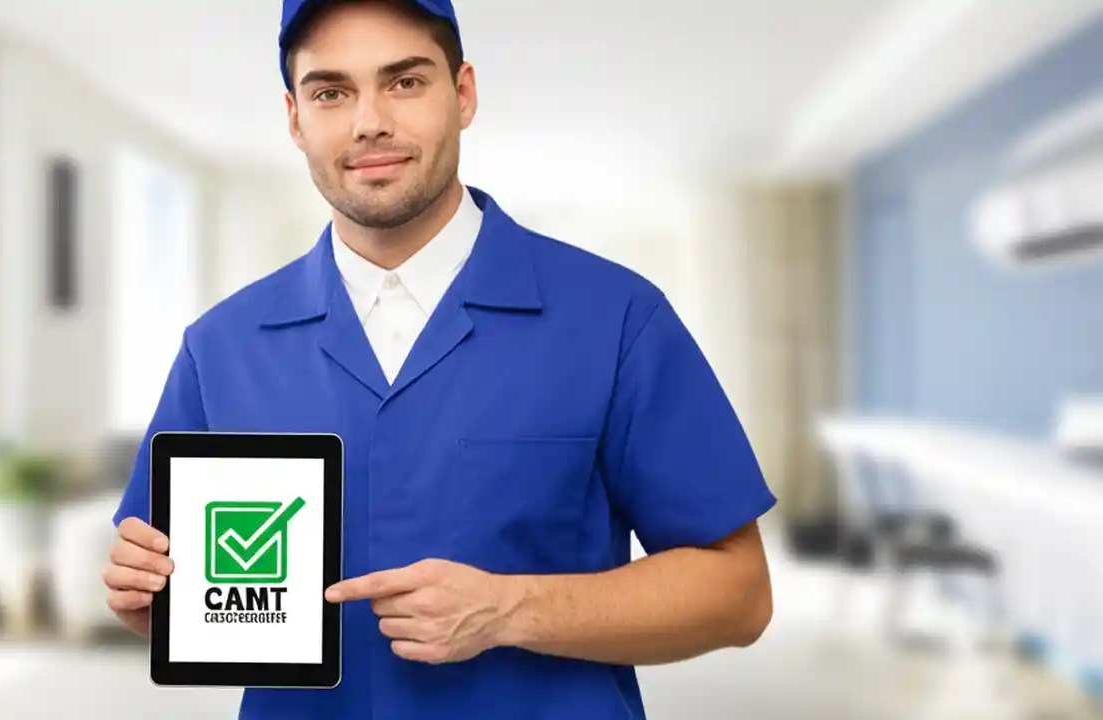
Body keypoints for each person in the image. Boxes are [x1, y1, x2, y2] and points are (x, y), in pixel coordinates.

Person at [104, 1, 777, 717]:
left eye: (404, 82)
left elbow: (739, 594)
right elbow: (172, 594)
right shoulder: (221, 348)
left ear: (463, 94)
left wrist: (510, 609)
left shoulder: (615, 319)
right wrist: (149, 598)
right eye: (332, 92)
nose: (369, 122)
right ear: (296, 119)